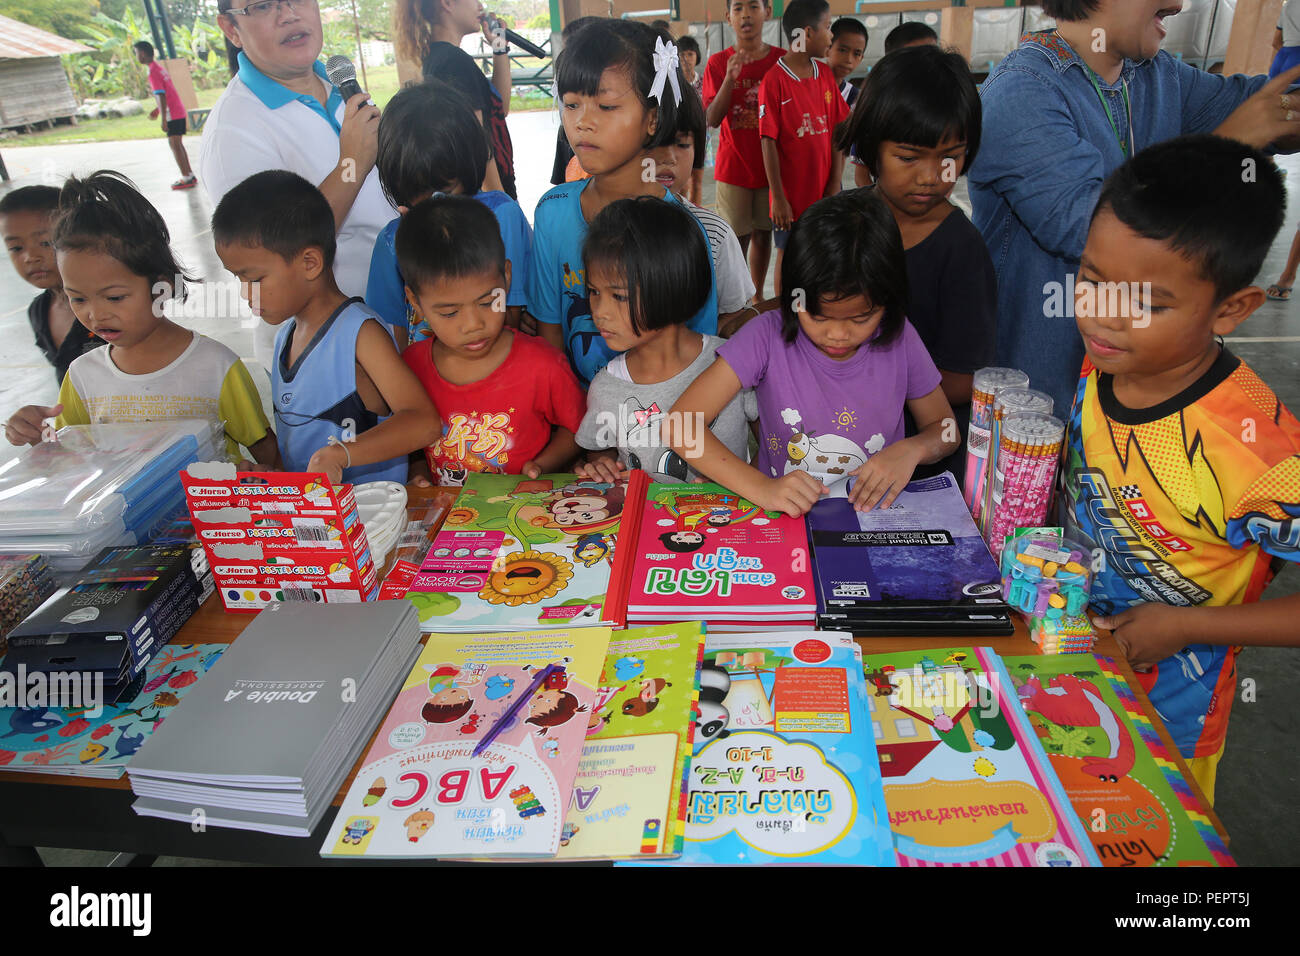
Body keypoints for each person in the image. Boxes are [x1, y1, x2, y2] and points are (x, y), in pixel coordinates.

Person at [1058, 136, 1300, 803]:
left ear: (1231, 308)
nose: (1100, 315)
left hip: (1176, 722)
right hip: (1076, 670)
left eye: (1147, 303)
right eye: (1093, 279)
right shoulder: (1108, 361)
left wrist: (1189, 625)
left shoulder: (1258, 451)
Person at [968, 0, 1300, 416]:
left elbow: (1266, 104)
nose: (1179, 4)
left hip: (1135, 394)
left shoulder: (1159, 77)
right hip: (1039, 401)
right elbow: (1093, 230)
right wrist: (1227, 145)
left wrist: (1278, 112)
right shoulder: (1021, 94)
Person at [666, 190, 958, 518]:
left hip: (874, 520)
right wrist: (762, 488)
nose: (837, 334)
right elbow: (680, 425)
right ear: (792, 297)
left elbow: (945, 429)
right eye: (818, 316)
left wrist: (913, 449)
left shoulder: (900, 338)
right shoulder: (765, 337)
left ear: (889, 302)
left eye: (861, 318)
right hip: (784, 522)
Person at [4, 172, 277, 467]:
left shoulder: (216, 366)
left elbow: (265, 450)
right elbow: (71, 457)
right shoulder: (82, 376)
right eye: (79, 299)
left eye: (115, 297)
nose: (95, 315)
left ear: (162, 288)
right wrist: (37, 434)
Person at [212, 170, 439, 486]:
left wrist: (340, 454)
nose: (245, 293)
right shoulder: (283, 339)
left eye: (254, 279)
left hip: (372, 523)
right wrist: (270, 475)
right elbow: (300, 458)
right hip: (317, 528)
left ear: (310, 263)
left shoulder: (361, 334)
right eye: (238, 279)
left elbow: (424, 422)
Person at [203, 0, 394, 373]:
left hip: (397, 322)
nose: (289, 13)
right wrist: (350, 165)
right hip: (326, 351)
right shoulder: (234, 131)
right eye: (263, 6)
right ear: (230, 28)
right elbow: (271, 254)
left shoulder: (340, 85)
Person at [526, 18, 719, 387]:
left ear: (652, 118)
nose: (582, 122)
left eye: (606, 106)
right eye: (571, 104)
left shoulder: (682, 229)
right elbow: (550, 333)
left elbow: (697, 350)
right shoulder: (552, 212)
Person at [836, 45, 993, 485]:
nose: (931, 176)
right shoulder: (837, 224)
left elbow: (963, 380)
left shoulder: (962, 249)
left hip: (923, 454)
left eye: (951, 157)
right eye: (908, 157)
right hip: (835, 437)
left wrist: (870, 372)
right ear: (870, 148)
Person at [398, 197, 585, 486]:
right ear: (415, 302)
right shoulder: (410, 367)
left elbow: (577, 430)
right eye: (450, 312)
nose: (473, 325)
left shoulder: (543, 365)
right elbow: (410, 438)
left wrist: (541, 465)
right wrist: (418, 472)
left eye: (488, 302)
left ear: (507, 278)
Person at [575, 197, 755, 484]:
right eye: (594, 292)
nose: (600, 311)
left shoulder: (732, 363)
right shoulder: (606, 387)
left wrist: (744, 484)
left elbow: (775, 443)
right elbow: (599, 451)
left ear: (673, 287)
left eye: (618, 296)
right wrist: (601, 465)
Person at [368, 80, 531, 348]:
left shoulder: (502, 216)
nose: (434, 202)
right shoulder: (392, 241)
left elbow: (510, 317)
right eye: (417, 192)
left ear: (469, 162)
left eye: (444, 189)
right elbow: (392, 333)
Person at [648, 84, 757, 332]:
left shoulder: (714, 233)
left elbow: (735, 316)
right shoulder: (596, 222)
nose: (669, 158)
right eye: (654, 142)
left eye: (682, 144)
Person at [759, 0, 848, 294]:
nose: (832, 36)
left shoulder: (824, 75)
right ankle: (787, 313)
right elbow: (767, 142)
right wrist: (779, 199)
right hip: (791, 201)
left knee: (821, 255)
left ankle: (814, 310)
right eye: (828, 28)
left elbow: (837, 130)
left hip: (823, 195)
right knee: (788, 255)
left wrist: (834, 181)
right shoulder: (774, 81)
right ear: (807, 33)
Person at [395, 0, 517, 199]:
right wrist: (500, 201)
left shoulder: (441, 57)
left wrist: (499, 47)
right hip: (489, 195)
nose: (481, 6)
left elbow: (499, 108)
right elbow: (478, 142)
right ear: (448, 3)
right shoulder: (454, 62)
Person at [703, 0, 785, 293]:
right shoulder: (717, 63)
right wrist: (729, 79)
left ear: (768, 12)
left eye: (753, 6)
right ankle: (739, 298)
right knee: (735, 239)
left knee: (764, 234)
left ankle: (758, 294)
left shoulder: (783, 61)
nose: (746, 14)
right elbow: (712, 118)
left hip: (771, 169)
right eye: (738, 8)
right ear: (728, 17)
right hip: (733, 168)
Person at [0, 186, 102, 388]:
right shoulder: (38, 311)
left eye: (46, 243)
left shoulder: (111, 307)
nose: (30, 257)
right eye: (16, 248)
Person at [134, 41, 197, 190]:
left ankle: (186, 177)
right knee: (178, 144)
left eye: (136, 53)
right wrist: (157, 111)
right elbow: (165, 94)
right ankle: (189, 174)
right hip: (177, 110)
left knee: (174, 144)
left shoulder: (153, 72)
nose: (136, 56)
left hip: (172, 114)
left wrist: (163, 119)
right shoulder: (158, 68)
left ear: (142, 54)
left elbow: (161, 95)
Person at [827, 17, 867, 108]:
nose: (849, 60)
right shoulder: (807, 84)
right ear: (827, 48)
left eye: (857, 54)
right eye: (842, 50)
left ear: (861, 58)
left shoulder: (854, 97)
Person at [1271, 0, 1300, 79]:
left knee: (1269, 89)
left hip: (1281, 58)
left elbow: (1275, 42)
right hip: (1297, 61)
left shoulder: (1287, 5)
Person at [677, 34, 704, 99]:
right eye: (682, 54)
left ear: (697, 56)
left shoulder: (705, 83)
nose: (686, 58)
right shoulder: (672, 83)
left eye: (690, 54)